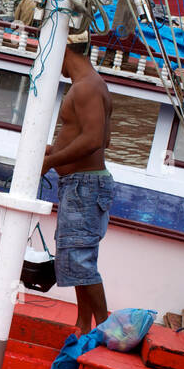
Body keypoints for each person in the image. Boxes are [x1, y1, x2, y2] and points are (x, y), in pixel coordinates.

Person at [43, 41, 114, 335]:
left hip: (85, 187)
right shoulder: (93, 84)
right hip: (81, 185)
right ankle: (84, 325)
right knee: (75, 259)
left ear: (65, 49)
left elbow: (94, 139)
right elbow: (103, 140)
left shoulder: (85, 87)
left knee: (80, 261)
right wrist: (52, 152)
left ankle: (106, 329)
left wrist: (49, 162)